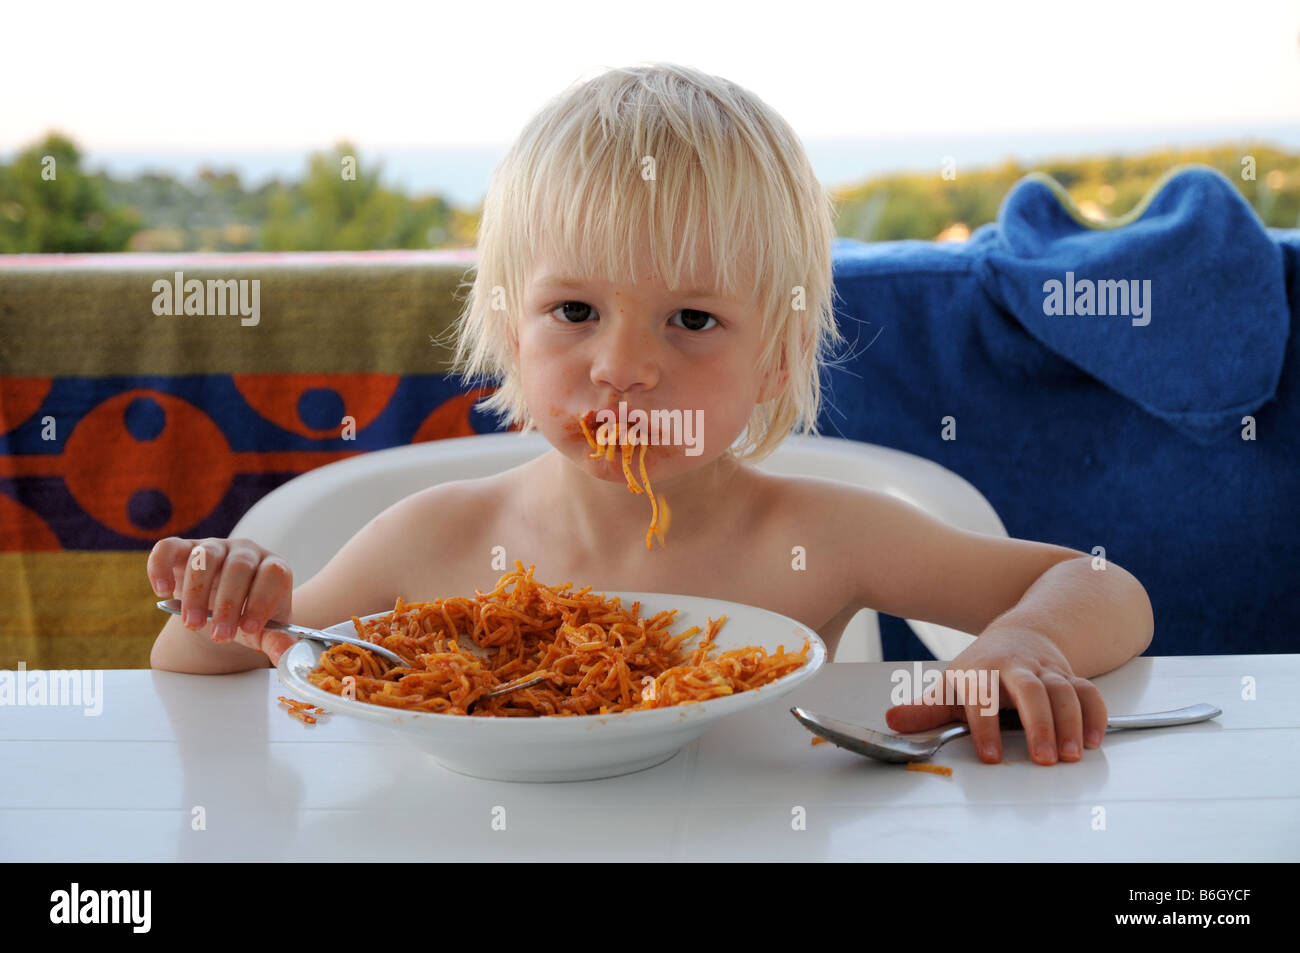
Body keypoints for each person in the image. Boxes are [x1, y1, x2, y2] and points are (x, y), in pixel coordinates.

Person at [148, 62, 1152, 765]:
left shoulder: (822, 535)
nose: (624, 368)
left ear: (777, 358)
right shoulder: (434, 537)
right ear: (509, 328)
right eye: (574, 311)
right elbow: (202, 668)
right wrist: (227, 606)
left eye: (692, 319)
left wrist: (1025, 644)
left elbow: (1099, 583)